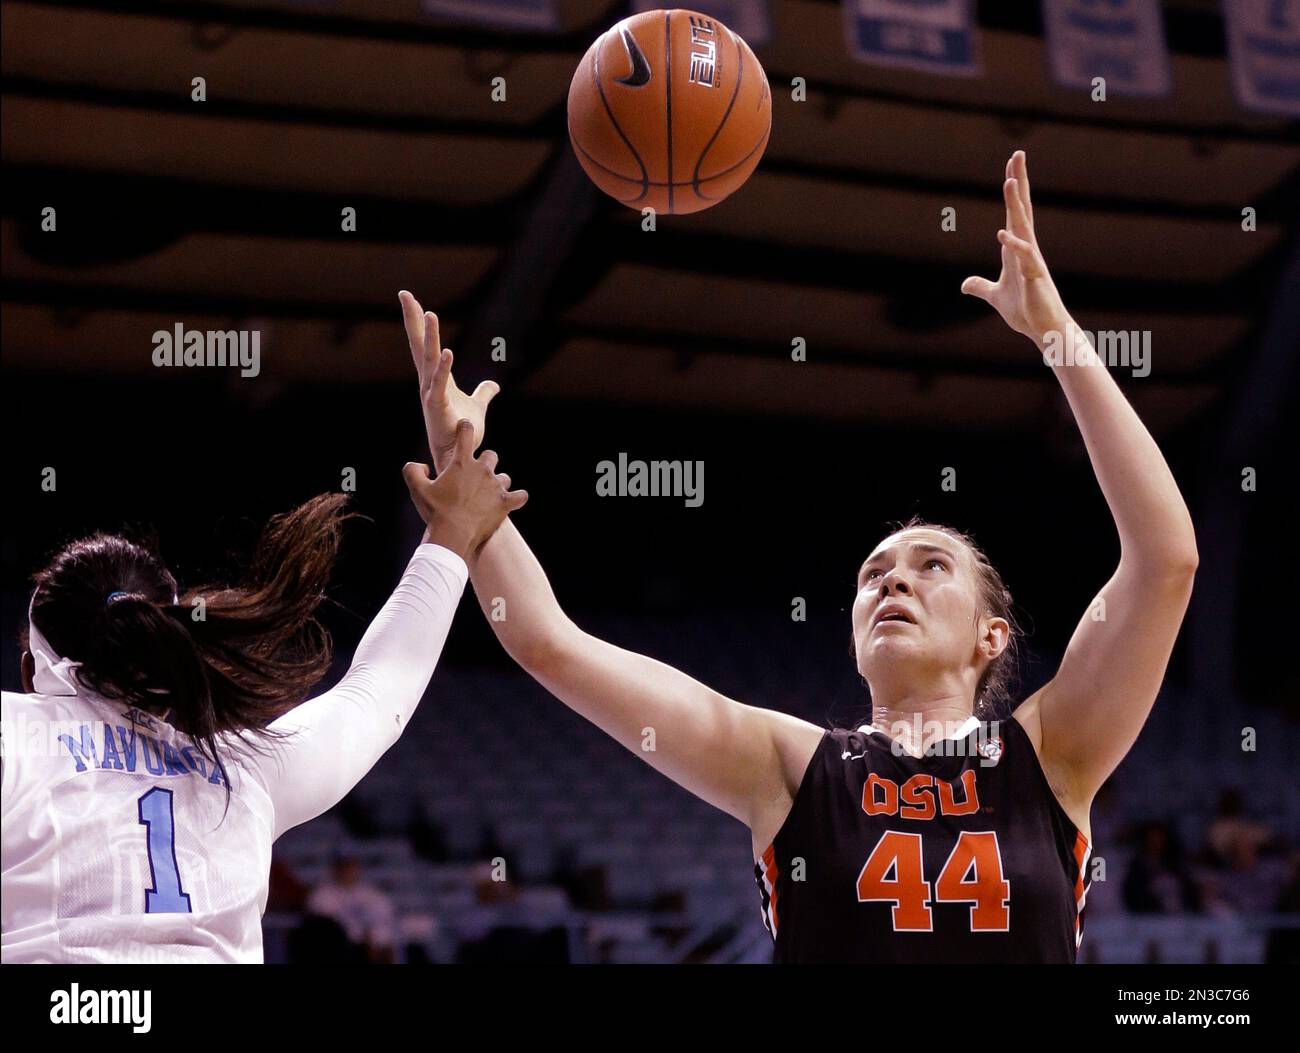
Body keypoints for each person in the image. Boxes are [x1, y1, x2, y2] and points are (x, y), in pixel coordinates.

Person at [399, 149, 1199, 964]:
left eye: (931, 565)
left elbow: (1167, 559)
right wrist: (467, 500)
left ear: (991, 636)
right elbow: (545, 640)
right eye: (873, 573)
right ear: (852, 639)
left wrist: (1057, 336)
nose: (893, 577)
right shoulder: (789, 765)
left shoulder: (1051, 754)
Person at [1, 421, 526, 963]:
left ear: (27, 672)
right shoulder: (245, 765)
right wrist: (454, 529)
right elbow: (380, 691)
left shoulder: (15, 732)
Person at [306, 855, 397, 963]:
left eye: (351, 868)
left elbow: (383, 915)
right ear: (335, 871)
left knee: (385, 936)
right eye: (344, 868)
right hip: (337, 942)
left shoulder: (371, 893)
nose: (348, 872)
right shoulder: (322, 893)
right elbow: (326, 923)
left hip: (368, 939)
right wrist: (360, 935)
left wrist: (369, 935)